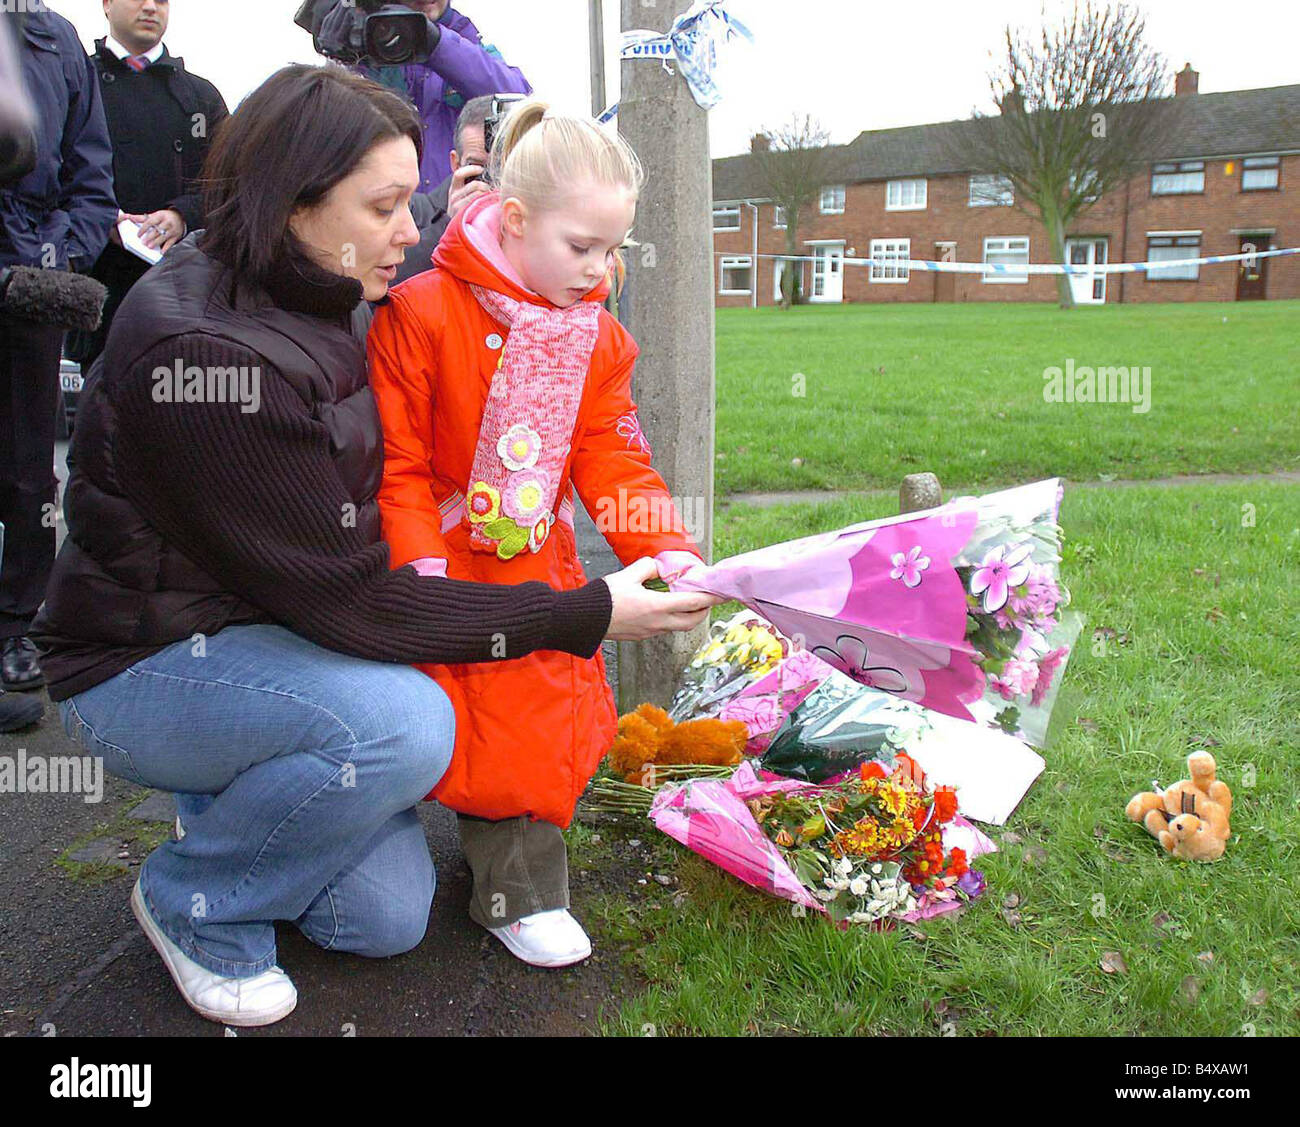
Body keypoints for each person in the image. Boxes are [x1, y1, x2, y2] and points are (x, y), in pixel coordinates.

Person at [32, 65, 718, 1028]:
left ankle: (247, 796)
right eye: (390, 205)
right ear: (297, 200)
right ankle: (196, 901)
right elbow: (358, 594)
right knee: (407, 725)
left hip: (275, 627)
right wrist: (590, 611)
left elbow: (607, 448)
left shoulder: (333, 283)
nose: (416, 228)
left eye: (414, 200)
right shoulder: (206, 354)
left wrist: (662, 541)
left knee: (383, 919)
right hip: (153, 654)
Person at [368, 99, 708, 967]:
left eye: (611, 251)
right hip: (437, 562)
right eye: (580, 247)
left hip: (531, 562)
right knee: (425, 718)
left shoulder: (595, 336)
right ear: (516, 221)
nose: (597, 271)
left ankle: (519, 885)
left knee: (529, 723)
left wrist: (660, 544)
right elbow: (398, 462)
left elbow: (611, 453)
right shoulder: (419, 312)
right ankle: (378, 834)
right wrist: (421, 567)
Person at [0, 4, 116, 698]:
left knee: (26, 473)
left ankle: (16, 626)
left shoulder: (56, 41)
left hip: (28, 286)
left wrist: (49, 260)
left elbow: (91, 180)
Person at [66, 0, 229, 371]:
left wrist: (182, 215)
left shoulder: (200, 98)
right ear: (106, 4)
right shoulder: (75, 85)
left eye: (161, 0)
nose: (151, 7)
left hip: (182, 298)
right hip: (95, 295)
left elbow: (230, 185)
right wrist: (99, 218)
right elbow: (47, 174)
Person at [314, 0, 530, 192]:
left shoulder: (467, 41)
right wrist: (343, 60)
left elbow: (519, 102)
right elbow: (337, 132)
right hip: (388, 211)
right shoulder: (368, 47)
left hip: (456, 213)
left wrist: (437, 44)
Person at [392, 91, 492, 284]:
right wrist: (448, 226)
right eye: (478, 166)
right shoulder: (414, 210)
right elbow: (386, 286)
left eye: (501, 166)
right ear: (455, 163)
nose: (491, 179)